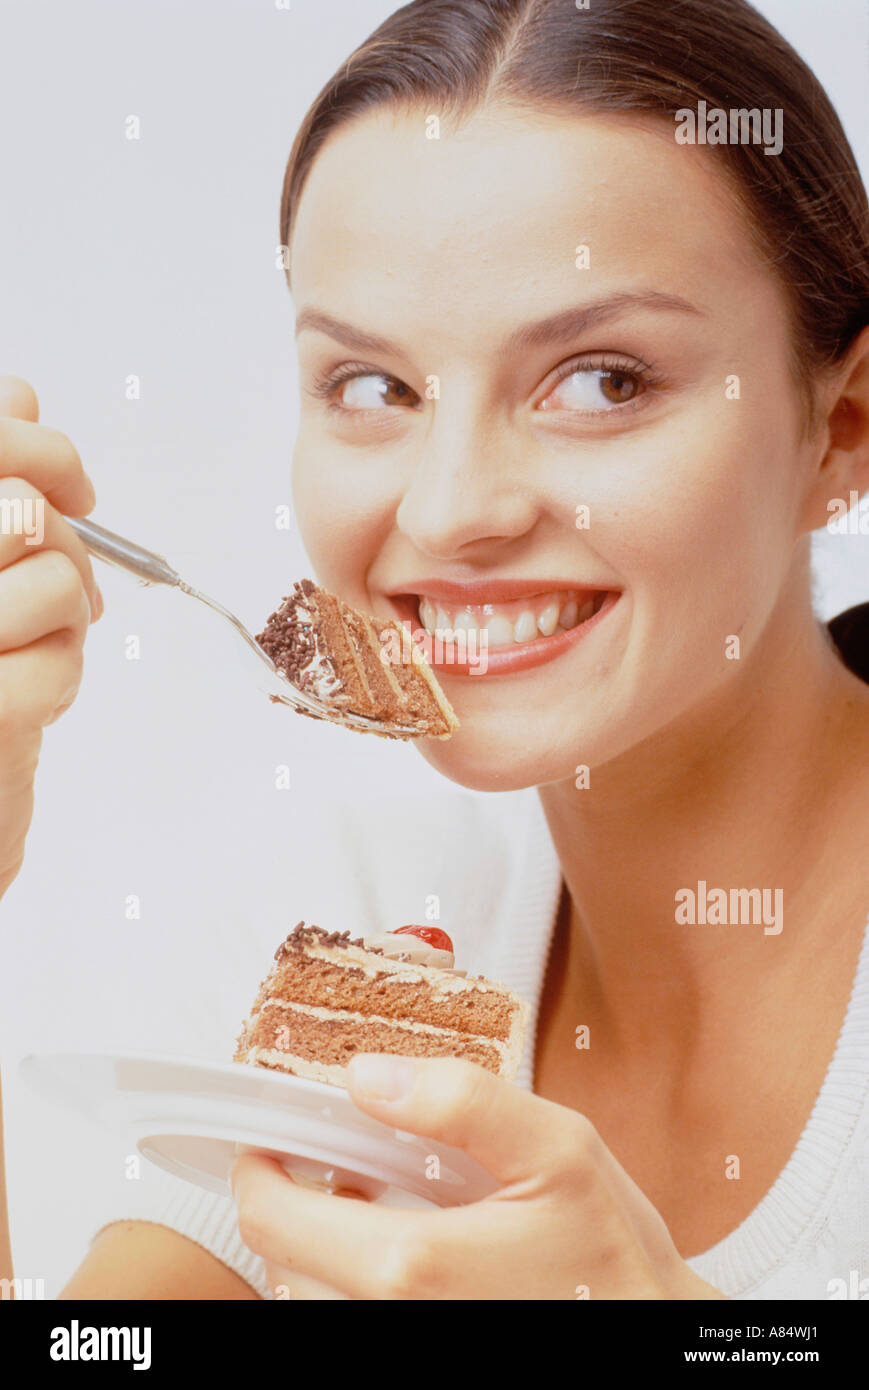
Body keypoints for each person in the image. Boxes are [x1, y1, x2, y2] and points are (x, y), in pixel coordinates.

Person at [3, 0, 869, 1299]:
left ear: (841, 427)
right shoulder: (362, 934)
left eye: (603, 379)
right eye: (374, 387)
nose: (449, 509)